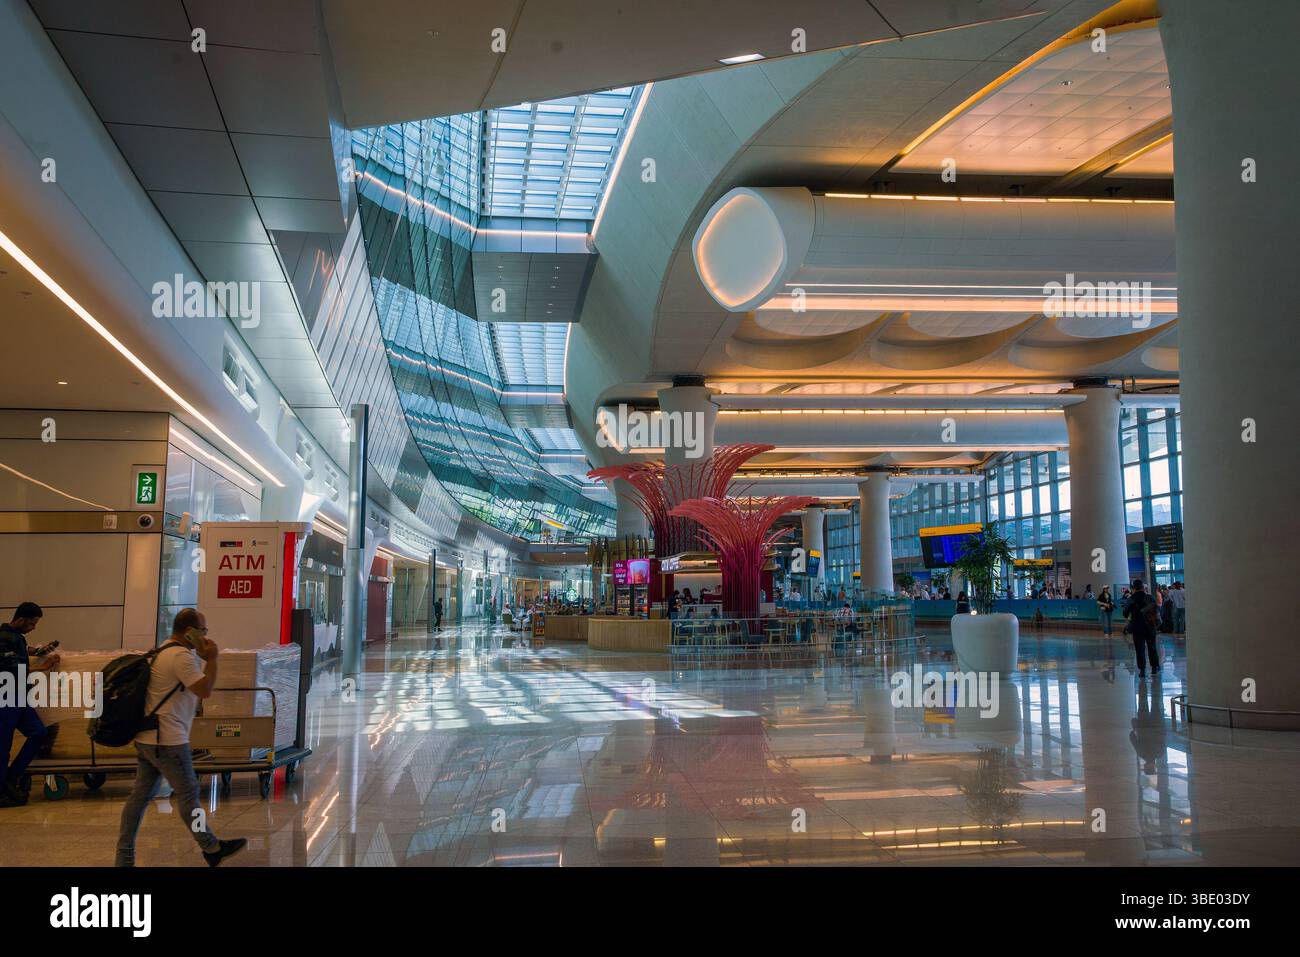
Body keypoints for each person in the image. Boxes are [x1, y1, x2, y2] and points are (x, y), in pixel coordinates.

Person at [116, 608, 245, 867]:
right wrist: (212, 659)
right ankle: (211, 847)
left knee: (139, 798)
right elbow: (205, 690)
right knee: (188, 796)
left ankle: (124, 858)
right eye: (204, 632)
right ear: (190, 633)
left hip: (148, 738)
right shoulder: (180, 657)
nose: (207, 637)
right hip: (169, 741)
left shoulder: (162, 650)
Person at [1, 602, 59, 807]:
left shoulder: (16, 637)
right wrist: (43, 667)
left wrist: (38, 651)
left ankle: (11, 775)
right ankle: (2, 789)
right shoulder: (3, 638)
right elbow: (9, 669)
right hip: (5, 699)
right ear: (21, 619)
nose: (34, 627)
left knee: (39, 733)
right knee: (3, 746)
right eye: (32, 623)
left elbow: (22, 651)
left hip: (18, 698)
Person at [1123, 580, 1160, 678]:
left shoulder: (1131, 599)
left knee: (1140, 648)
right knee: (1152, 646)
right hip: (1150, 626)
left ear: (1133, 588)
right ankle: (1154, 667)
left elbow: (1125, 613)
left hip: (1137, 627)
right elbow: (1156, 610)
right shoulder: (1150, 597)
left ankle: (1142, 670)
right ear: (1143, 587)